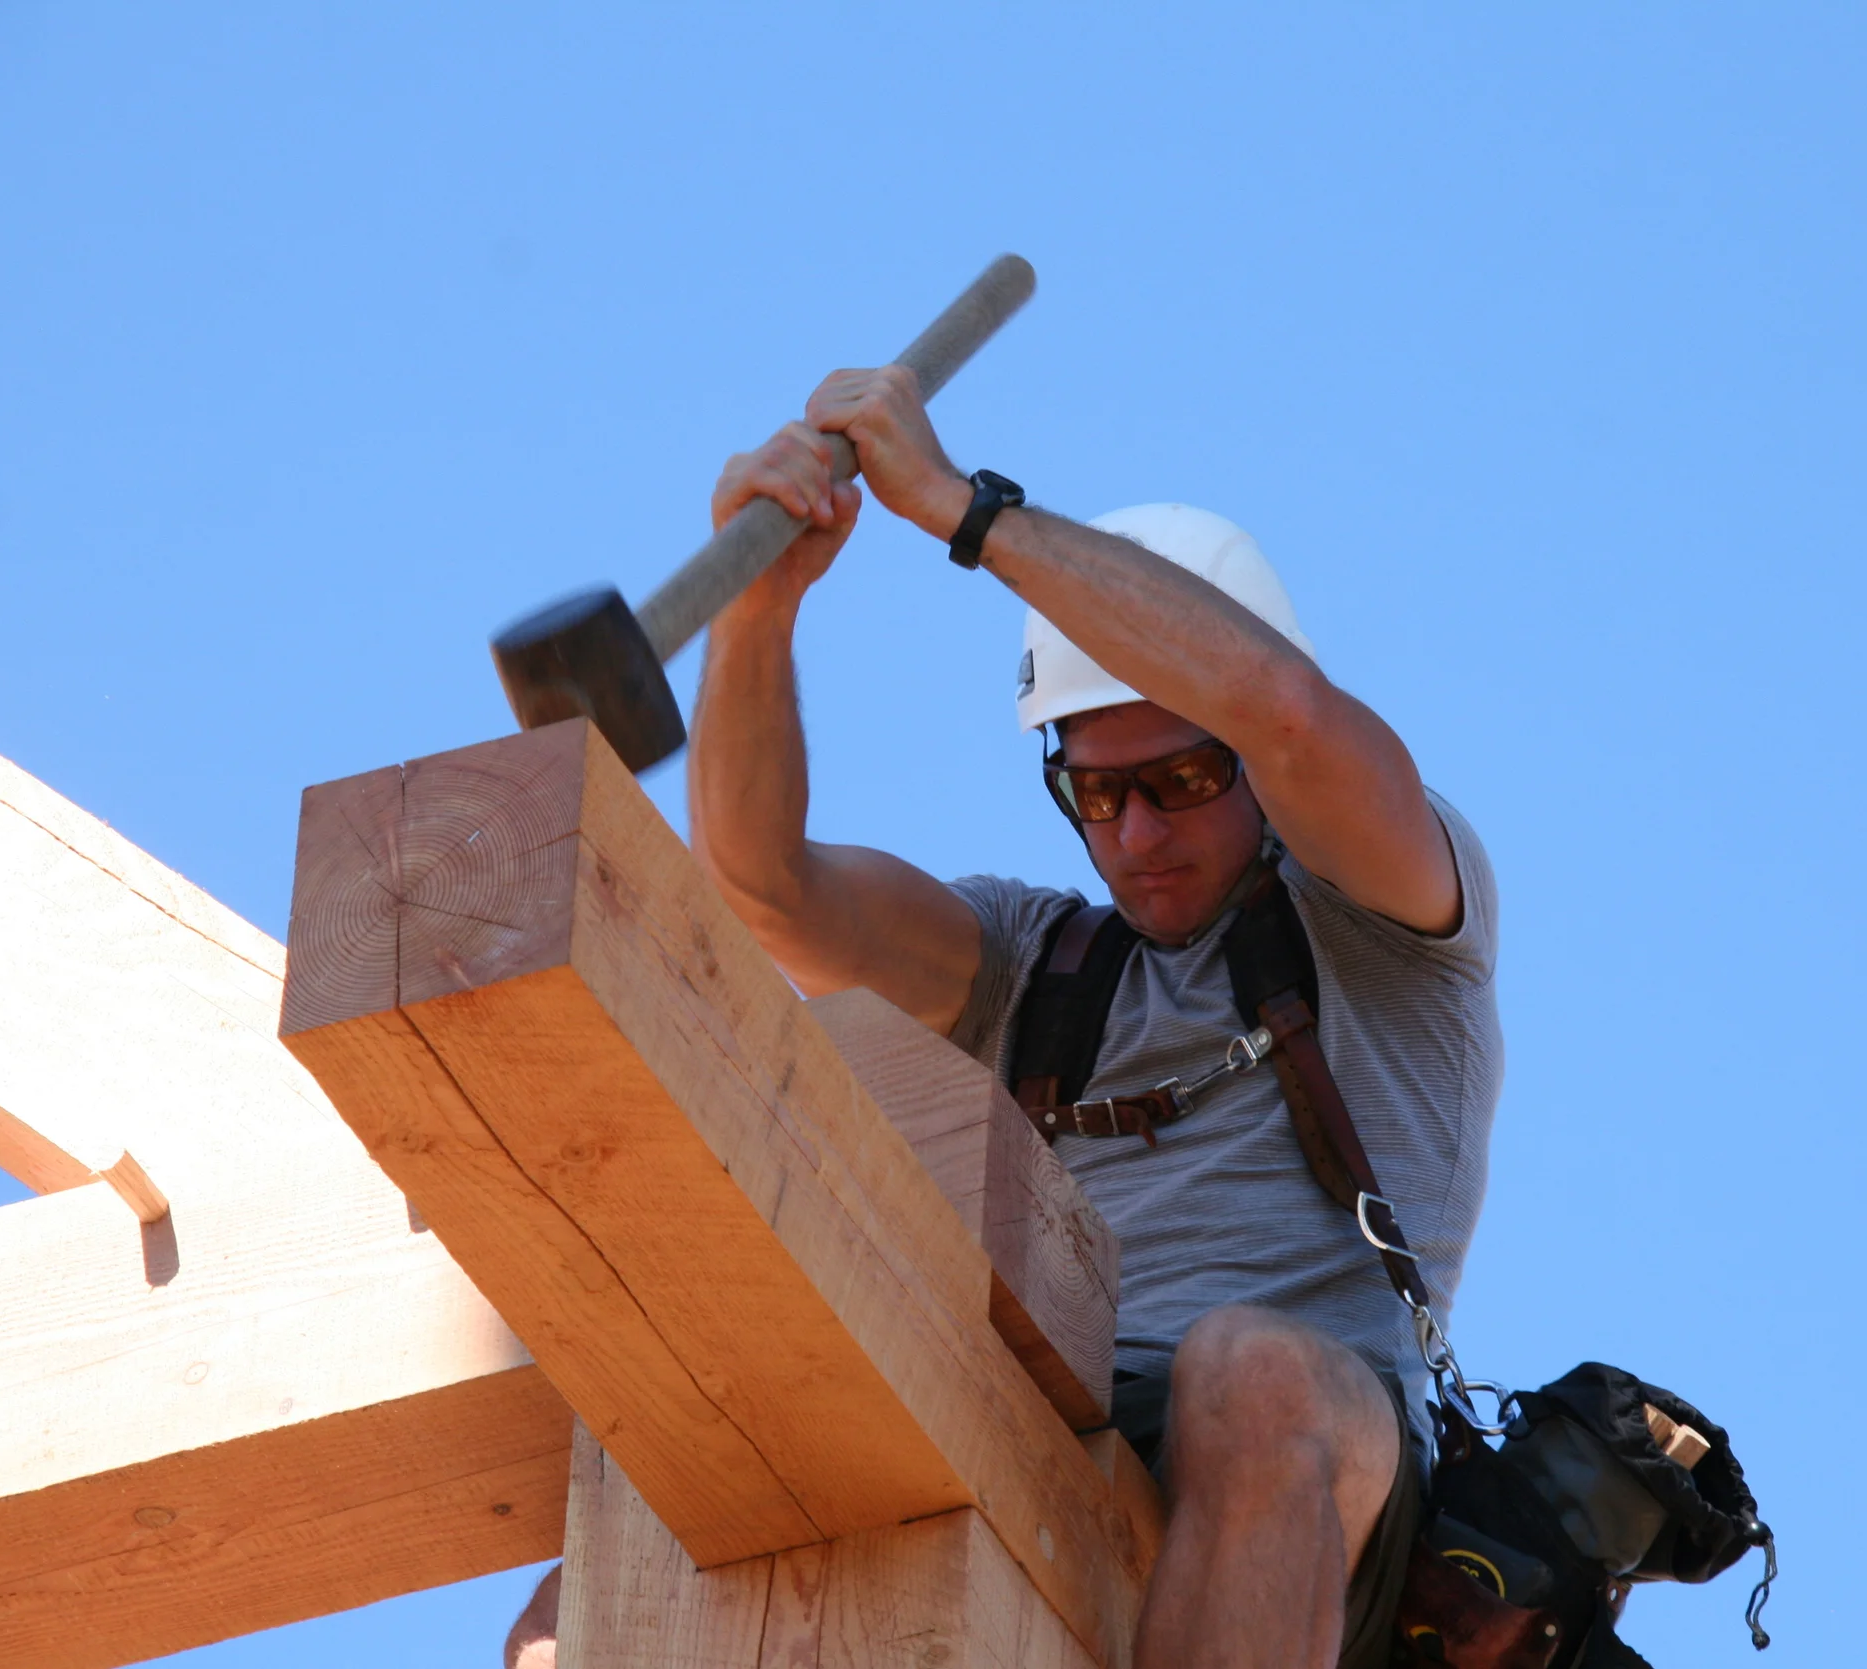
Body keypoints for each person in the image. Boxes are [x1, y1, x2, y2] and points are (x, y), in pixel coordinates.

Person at [507, 365, 1500, 1669]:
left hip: (1316, 1465)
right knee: (626, 1543)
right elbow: (766, 885)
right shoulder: (1036, 962)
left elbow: (1296, 714)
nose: (1135, 835)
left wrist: (964, 513)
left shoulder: (1385, 915)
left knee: (1251, 1377)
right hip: (1038, 1422)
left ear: (1250, 764)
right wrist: (761, 605)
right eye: (1095, 796)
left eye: (1185, 779)